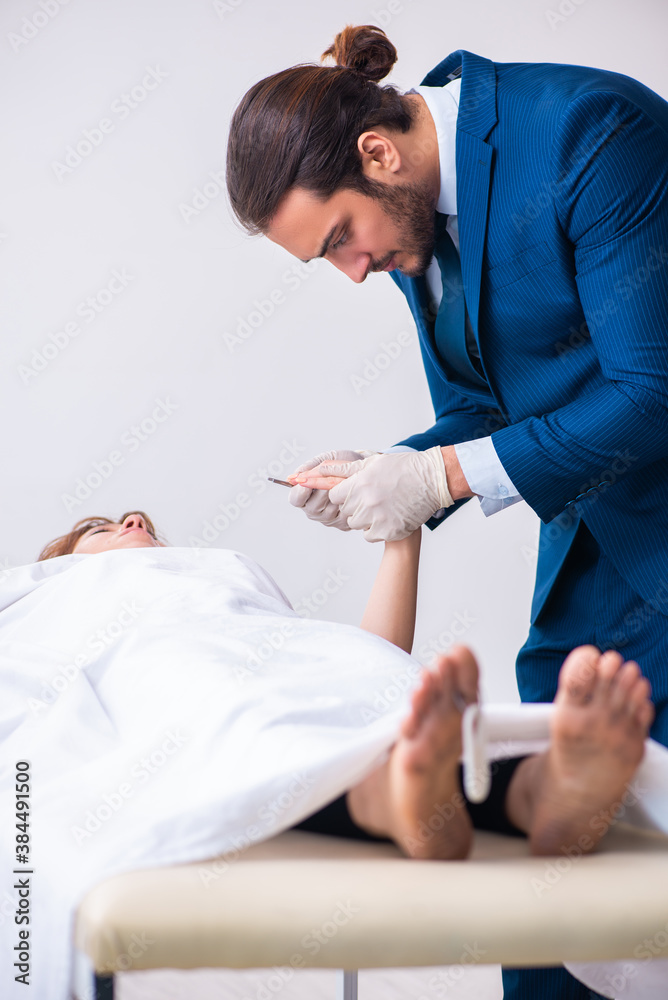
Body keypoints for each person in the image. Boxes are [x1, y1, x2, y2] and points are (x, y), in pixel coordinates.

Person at [226, 30, 668, 996]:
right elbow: (482, 413)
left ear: (378, 155)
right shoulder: (413, 222)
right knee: (537, 895)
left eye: (339, 237)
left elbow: (654, 390)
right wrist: (390, 468)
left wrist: (439, 484)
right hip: (591, 572)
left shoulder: (592, 133)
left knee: (638, 897)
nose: (351, 270)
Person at [37, 510, 653, 866]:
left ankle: (543, 791)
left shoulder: (225, 576)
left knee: (379, 695)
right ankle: (396, 798)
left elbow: (360, 658)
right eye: (101, 528)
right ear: (60, 573)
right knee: (253, 718)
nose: (133, 519)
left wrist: (401, 536)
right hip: (183, 671)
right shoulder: (52, 610)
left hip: (291, 663)